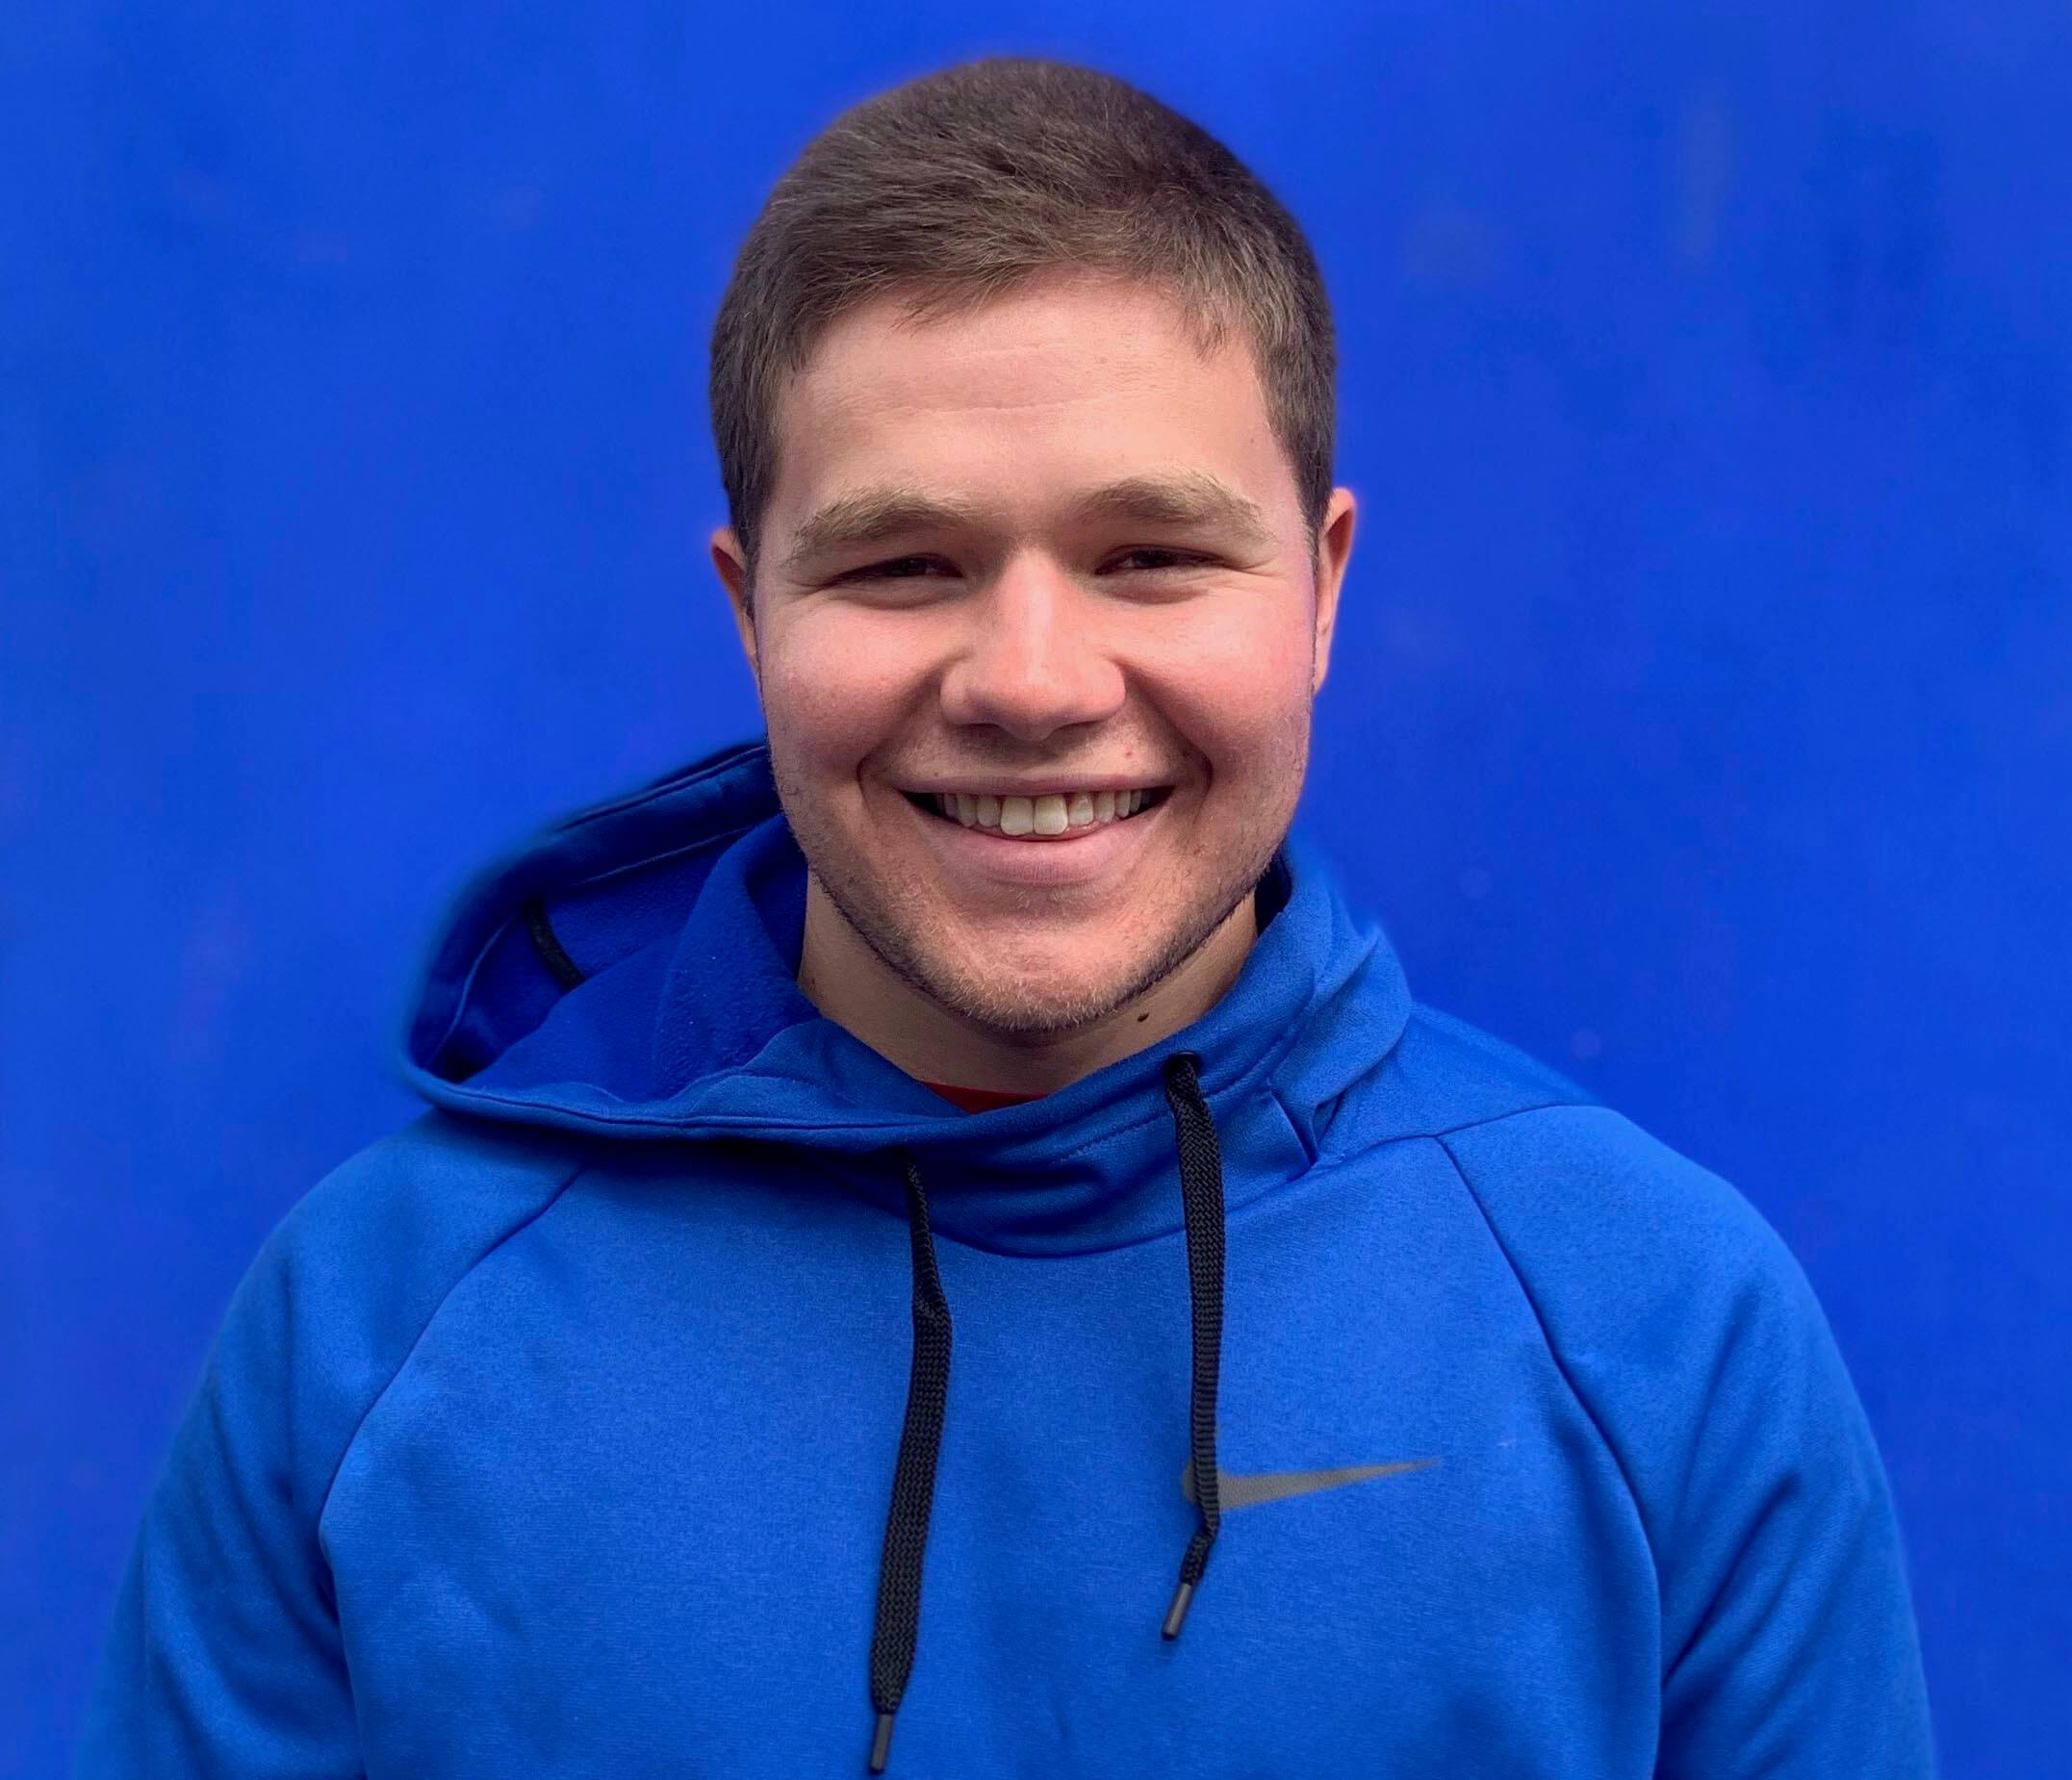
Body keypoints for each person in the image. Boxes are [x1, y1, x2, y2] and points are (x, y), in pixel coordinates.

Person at [79, 56, 1935, 1778]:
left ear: (1320, 589)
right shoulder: (377, 1327)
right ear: (750, 612)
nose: (1033, 681)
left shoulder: (1655, 1326)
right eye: (903, 564)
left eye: (1150, 555)